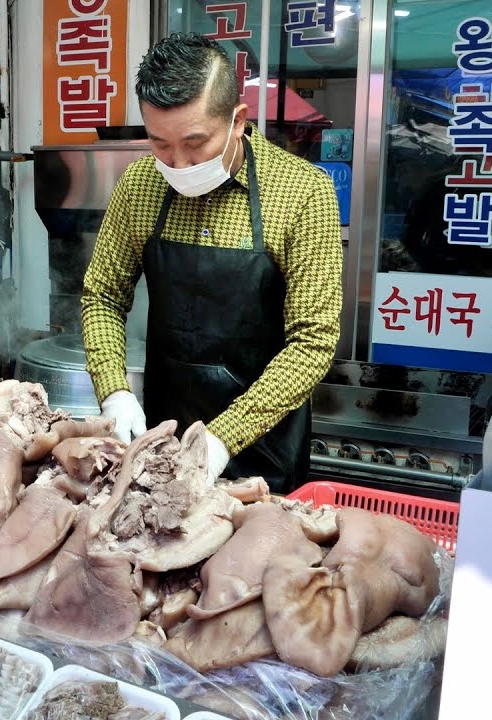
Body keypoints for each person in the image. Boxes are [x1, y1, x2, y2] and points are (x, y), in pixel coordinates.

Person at [81, 33, 343, 493]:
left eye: (195, 143)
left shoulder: (303, 193)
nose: (178, 163)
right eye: (160, 143)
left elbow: (314, 341)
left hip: (264, 445)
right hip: (160, 439)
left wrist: (222, 439)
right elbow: (102, 295)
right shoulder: (139, 185)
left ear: (237, 121)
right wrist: (115, 391)